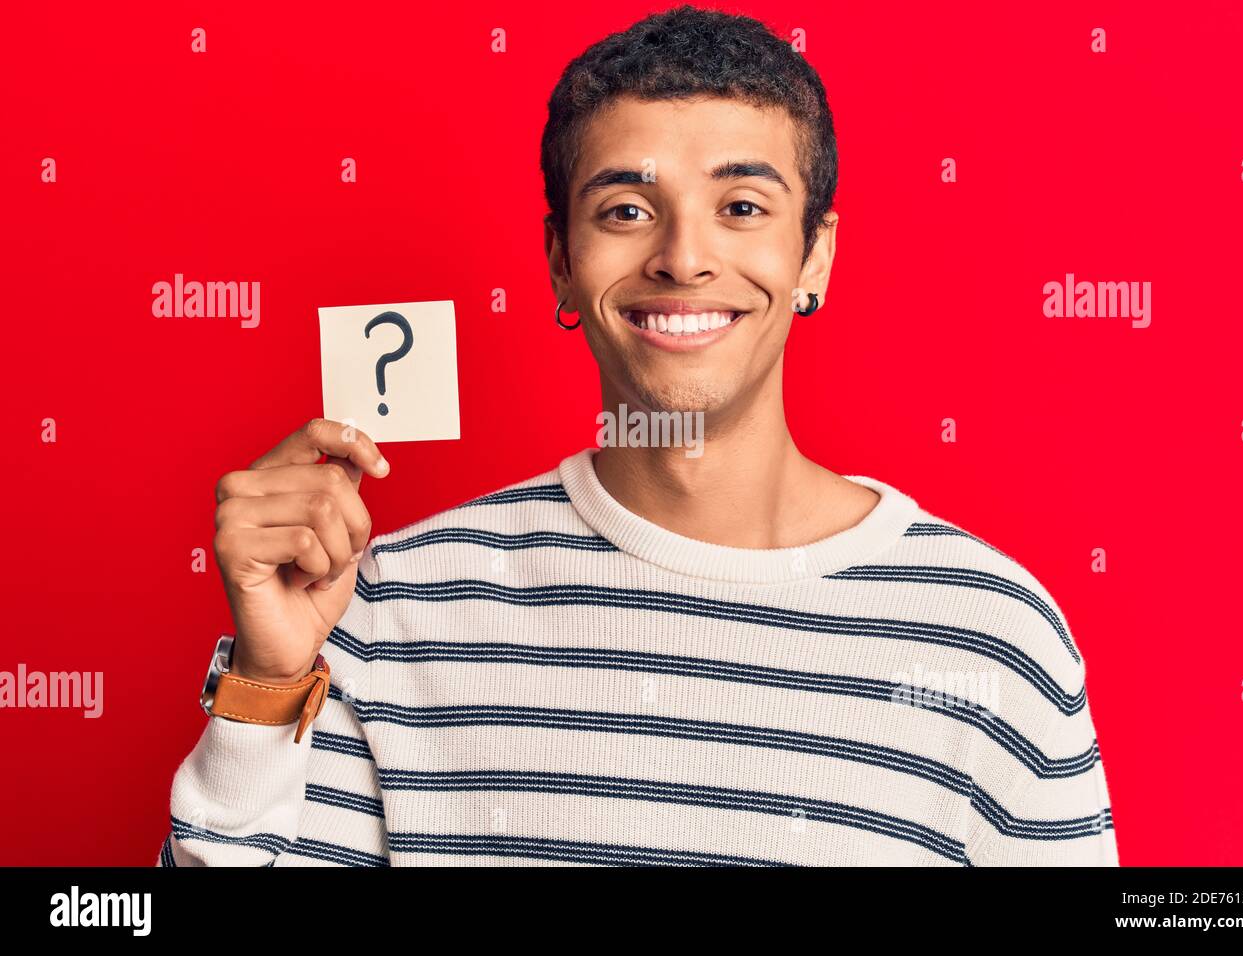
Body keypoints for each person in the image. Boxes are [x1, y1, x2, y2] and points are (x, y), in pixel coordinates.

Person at [160, 4, 1117, 867]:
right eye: (625, 211)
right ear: (560, 264)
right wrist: (265, 688)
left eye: (741, 208)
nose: (683, 257)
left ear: (814, 254)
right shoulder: (382, 606)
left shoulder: (985, 634)